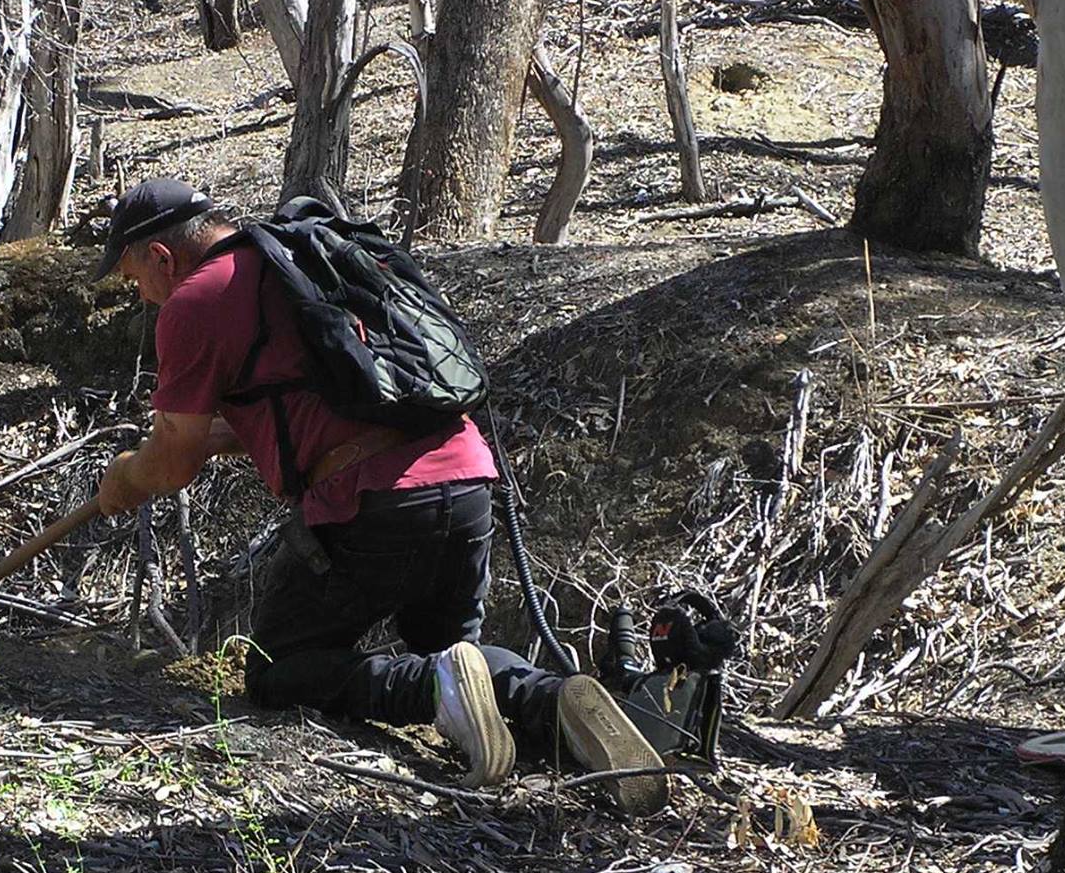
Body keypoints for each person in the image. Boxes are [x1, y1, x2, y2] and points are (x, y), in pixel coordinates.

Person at [89, 178, 668, 815]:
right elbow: (300, 404)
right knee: (454, 651)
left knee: (280, 669)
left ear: (161, 257)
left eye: (132, 277)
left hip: (374, 501)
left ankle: (436, 688)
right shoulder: (300, 259)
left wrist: (126, 478)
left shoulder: (197, 302)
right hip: (467, 474)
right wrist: (200, 444)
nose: (139, 294)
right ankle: (552, 699)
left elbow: (169, 461)